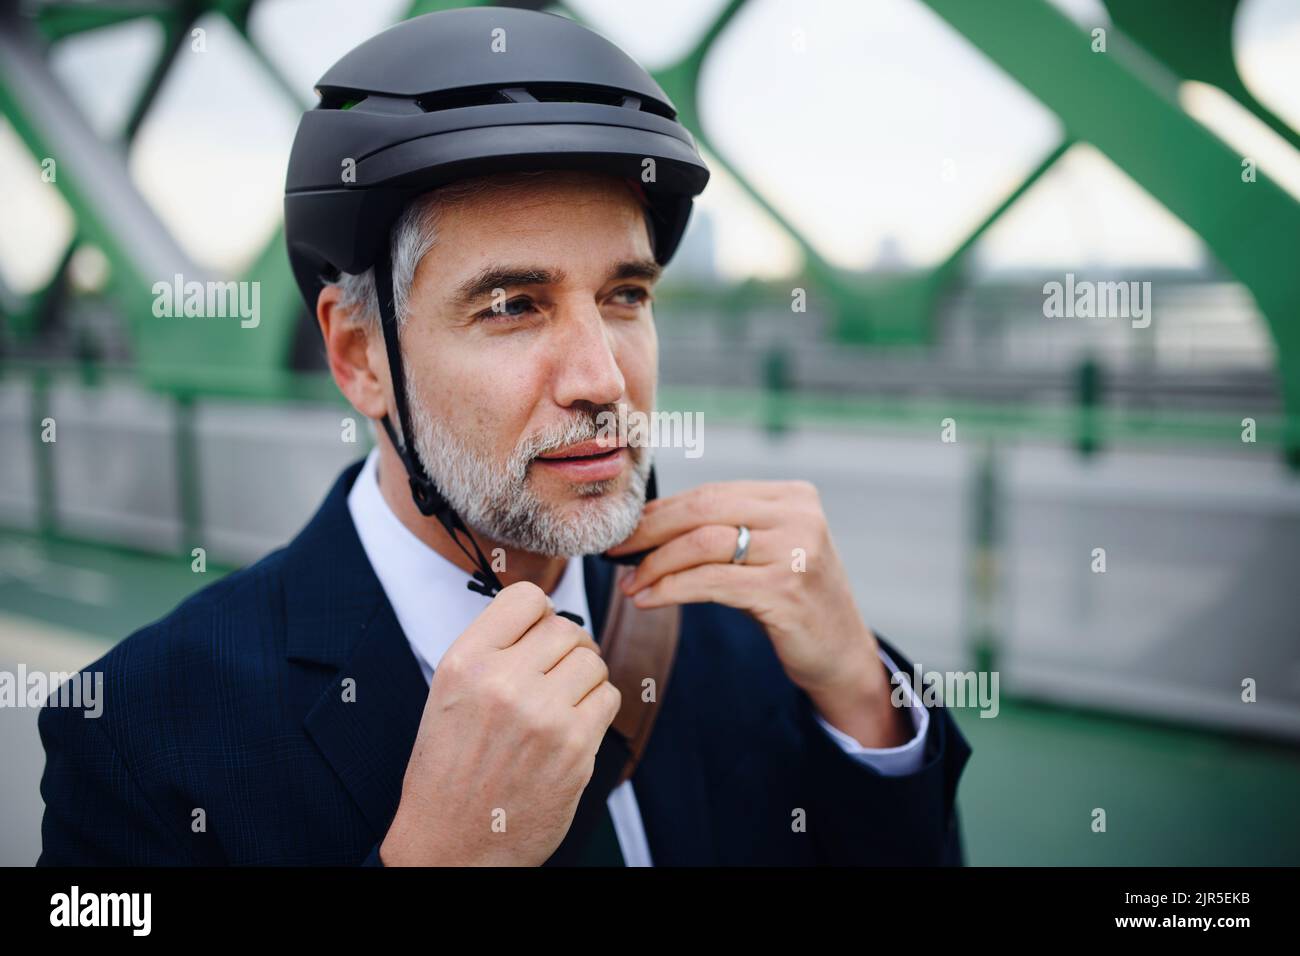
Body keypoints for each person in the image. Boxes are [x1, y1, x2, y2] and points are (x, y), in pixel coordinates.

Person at [37, 7, 970, 867]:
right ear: (360, 356)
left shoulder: (748, 634)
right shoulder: (141, 731)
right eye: (515, 306)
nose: (602, 379)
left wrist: (862, 704)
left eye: (625, 297)